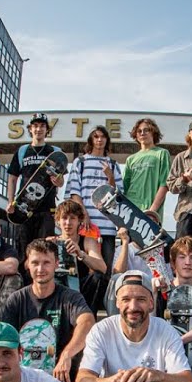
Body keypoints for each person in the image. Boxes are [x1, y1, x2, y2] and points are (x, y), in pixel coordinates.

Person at [0, 239, 97, 382]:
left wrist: (67, 355)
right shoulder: (16, 300)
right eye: (35, 263)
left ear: (56, 264)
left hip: (60, 374)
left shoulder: (70, 297)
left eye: (46, 262)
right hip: (23, 374)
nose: (40, 269)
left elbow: (87, 322)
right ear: (27, 265)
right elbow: (2, 337)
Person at [67, 125, 122, 305]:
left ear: (107, 140)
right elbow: (74, 191)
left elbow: (118, 195)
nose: (99, 140)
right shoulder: (81, 161)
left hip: (107, 226)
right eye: (96, 136)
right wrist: (84, 214)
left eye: (103, 137)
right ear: (91, 140)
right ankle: (81, 305)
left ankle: (102, 306)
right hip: (85, 226)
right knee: (81, 267)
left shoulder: (113, 164)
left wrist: (110, 177)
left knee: (105, 270)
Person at [6, 113, 65, 262]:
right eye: (35, 126)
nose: (38, 129)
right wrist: (10, 201)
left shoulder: (54, 151)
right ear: (30, 129)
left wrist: (58, 181)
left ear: (47, 130)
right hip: (24, 207)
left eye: (42, 126)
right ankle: (24, 276)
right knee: (23, 247)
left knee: (45, 247)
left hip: (47, 208)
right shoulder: (22, 151)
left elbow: (61, 181)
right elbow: (12, 178)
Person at [50, 199, 109, 304]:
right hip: (58, 285)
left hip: (82, 287)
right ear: (58, 221)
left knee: (98, 277)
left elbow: (102, 268)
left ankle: (89, 311)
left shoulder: (88, 241)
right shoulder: (51, 241)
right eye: (64, 218)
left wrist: (81, 253)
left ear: (79, 221)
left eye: (72, 218)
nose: (68, 223)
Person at [122, 117, 170, 215]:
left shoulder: (162, 153)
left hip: (150, 211)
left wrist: (152, 211)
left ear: (153, 132)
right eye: (139, 131)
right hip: (130, 209)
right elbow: (124, 188)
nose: (142, 133)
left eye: (146, 130)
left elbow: (165, 184)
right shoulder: (131, 159)